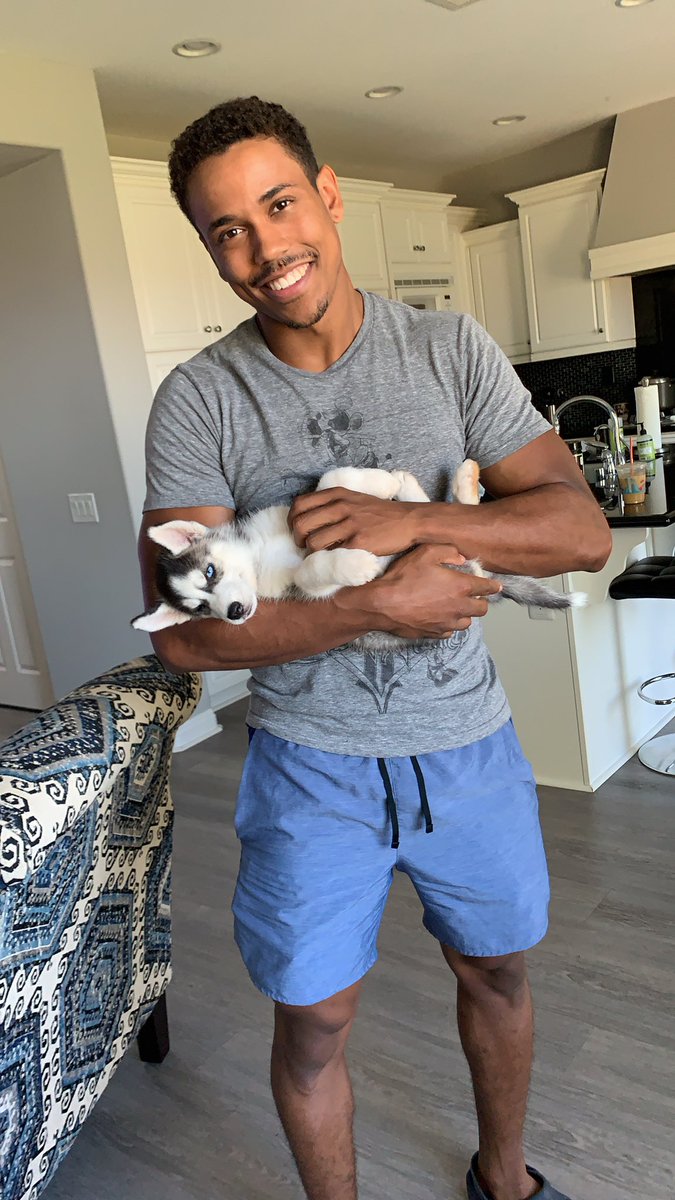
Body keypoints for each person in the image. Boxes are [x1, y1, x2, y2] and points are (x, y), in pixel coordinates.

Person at [138, 96, 611, 1200]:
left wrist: (413, 521)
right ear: (209, 249)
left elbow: (580, 530)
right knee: (313, 1025)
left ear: (329, 193)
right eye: (227, 230)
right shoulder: (199, 401)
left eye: (279, 204)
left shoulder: (448, 349)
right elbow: (186, 637)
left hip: (470, 749)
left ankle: (505, 1179)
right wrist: (372, 608)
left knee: (497, 975)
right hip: (309, 768)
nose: (264, 249)